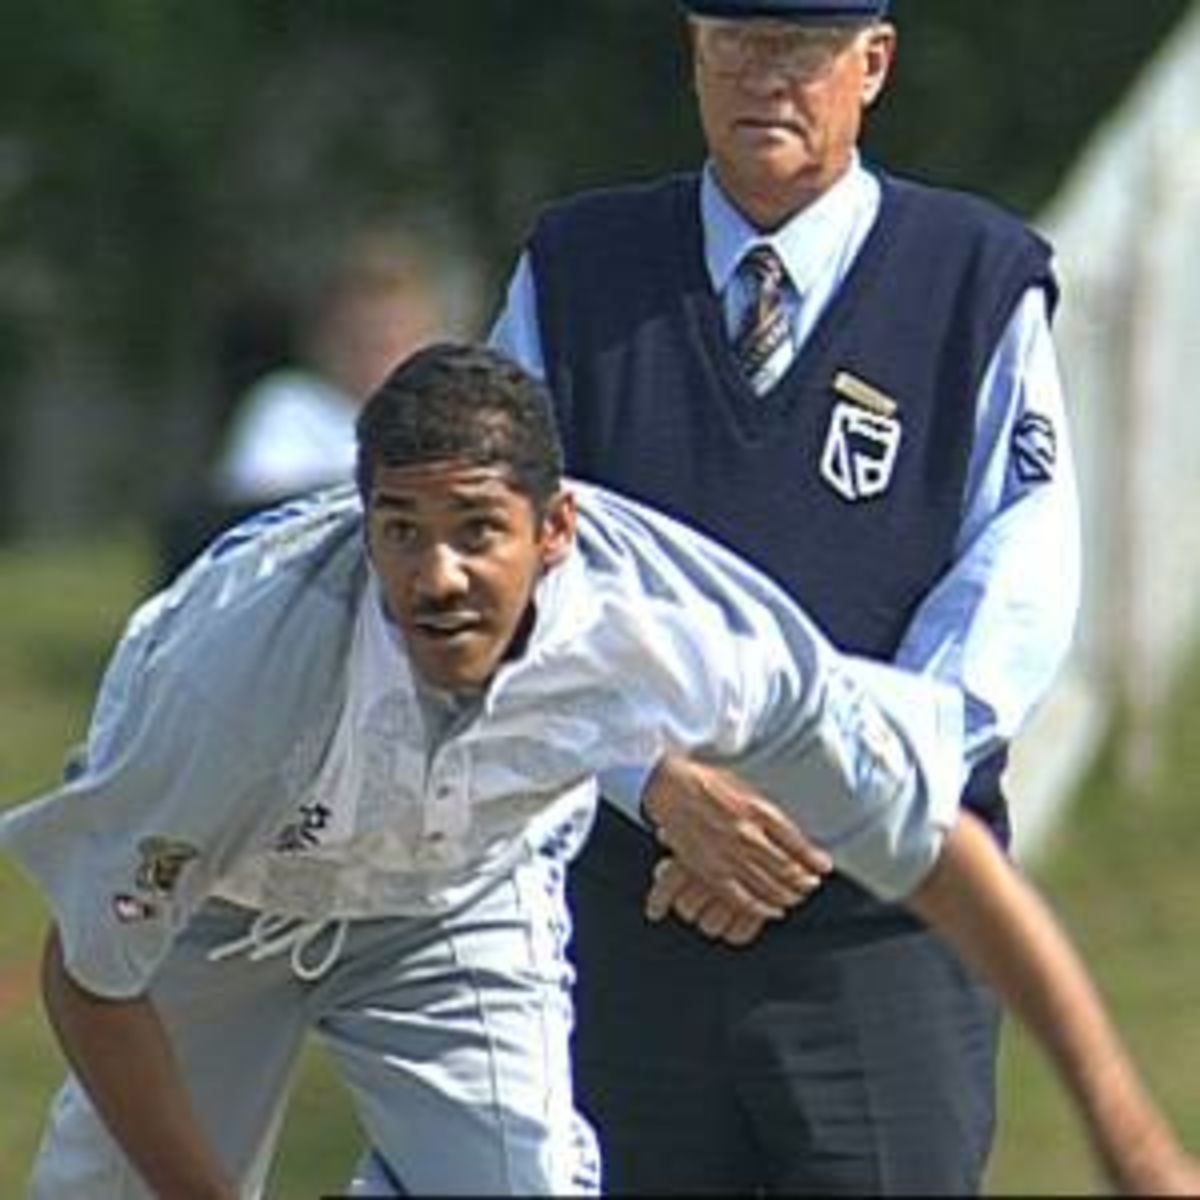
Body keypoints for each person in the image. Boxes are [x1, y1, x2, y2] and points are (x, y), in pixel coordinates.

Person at [0, 343, 1195, 1198]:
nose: (436, 576)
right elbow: (89, 979)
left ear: (555, 529)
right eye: (400, 530)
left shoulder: (682, 632)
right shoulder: (239, 678)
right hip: (221, 909)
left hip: (451, 898)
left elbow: (944, 863)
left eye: (477, 528)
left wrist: (1131, 1137)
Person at [489, 0, 1081, 1193]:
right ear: (691, 53)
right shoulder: (577, 272)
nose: (767, 77)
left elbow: (1015, 585)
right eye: (737, 42)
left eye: (801, 49)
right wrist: (650, 778)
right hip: (622, 910)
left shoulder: (975, 278)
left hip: (885, 922)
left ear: (873, 64)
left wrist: (826, 792)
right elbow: (508, 564)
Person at [156, 230, 449, 583]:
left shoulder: (451, 418)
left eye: (391, 340)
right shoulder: (288, 408)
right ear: (328, 339)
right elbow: (257, 525)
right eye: (361, 339)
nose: (376, 356)